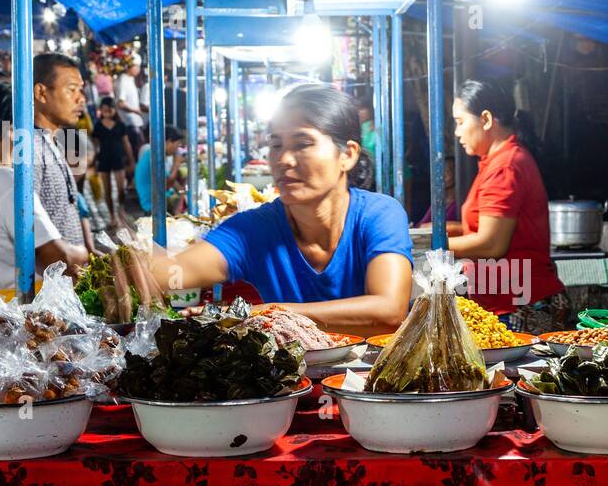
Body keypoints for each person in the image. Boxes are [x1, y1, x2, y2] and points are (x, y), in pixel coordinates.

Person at [150, 84, 412, 335]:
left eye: (302, 144)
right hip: (294, 379)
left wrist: (268, 313)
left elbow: (389, 311)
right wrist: (138, 271)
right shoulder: (253, 230)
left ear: (347, 154)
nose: (283, 160)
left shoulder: (378, 214)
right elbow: (176, 273)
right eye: (276, 145)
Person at [448, 79, 569, 333]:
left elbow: (491, 244)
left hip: (520, 303)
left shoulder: (506, 166)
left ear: (486, 119)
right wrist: (446, 230)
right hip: (507, 299)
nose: (457, 132)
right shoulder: (497, 161)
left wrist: (431, 245)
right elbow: (487, 226)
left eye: (460, 122)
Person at [0, 76, 87, 295]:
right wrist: (84, 251)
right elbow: (60, 260)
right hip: (17, 315)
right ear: (13, 128)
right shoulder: (6, 182)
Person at [32, 53, 87, 251]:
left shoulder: (51, 140)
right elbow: (25, 224)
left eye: (80, 90)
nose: (81, 98)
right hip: (46, 279)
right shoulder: (28, 149)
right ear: (41, 92)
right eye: (71, 89)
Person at [91, 97, 136, 220]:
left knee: (121, 190)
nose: (107, 111)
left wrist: (131, 160)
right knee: (107, 191)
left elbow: (126, 143)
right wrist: (93, 163)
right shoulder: (98, 126)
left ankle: (121, 212)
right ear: (101, 110)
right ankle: (112, 217)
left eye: (110, 109)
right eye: (105, 109)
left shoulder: (120, 125)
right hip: (103, 159)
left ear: (114, 110)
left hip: (118, 158)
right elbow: (95, 146)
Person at [134, 126, 184, 214]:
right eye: (177, 144)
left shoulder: (155, 153)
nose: (177, 149)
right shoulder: (155, 157)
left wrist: (182, 190)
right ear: (169, 142)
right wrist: (176, 165)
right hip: (153, 205)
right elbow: (167, 185)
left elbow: (170, 180)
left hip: (159, 199)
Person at [417, 154, 458, 226]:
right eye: (440, 172)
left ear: (456, 174)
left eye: (447, 171)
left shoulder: (459, 203)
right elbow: (421, 224)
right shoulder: (439, 201)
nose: (442, 176)